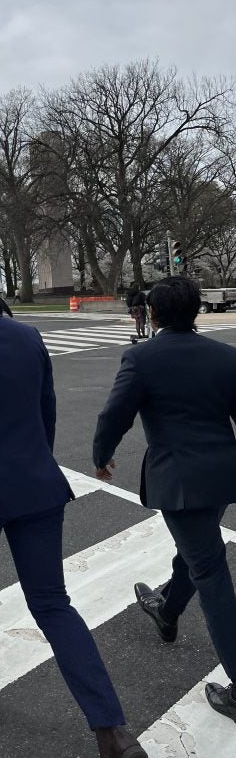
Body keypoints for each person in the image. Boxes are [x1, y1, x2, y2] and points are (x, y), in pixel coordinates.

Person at [0, 248, 146, 758]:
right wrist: (36, 463)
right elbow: (46, 410)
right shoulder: (28, 337)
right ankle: (111, 729)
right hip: (36, 485)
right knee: (52, 603)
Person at [93, 275, 236, 723]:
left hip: (178, 480)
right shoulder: (225, 356)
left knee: (210, 571)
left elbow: (115, 414)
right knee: (197, 550)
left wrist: (102, 455)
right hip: (222, 475)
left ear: (152, 313)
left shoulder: (142, 357)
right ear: (195, 312)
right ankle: (167, 610)